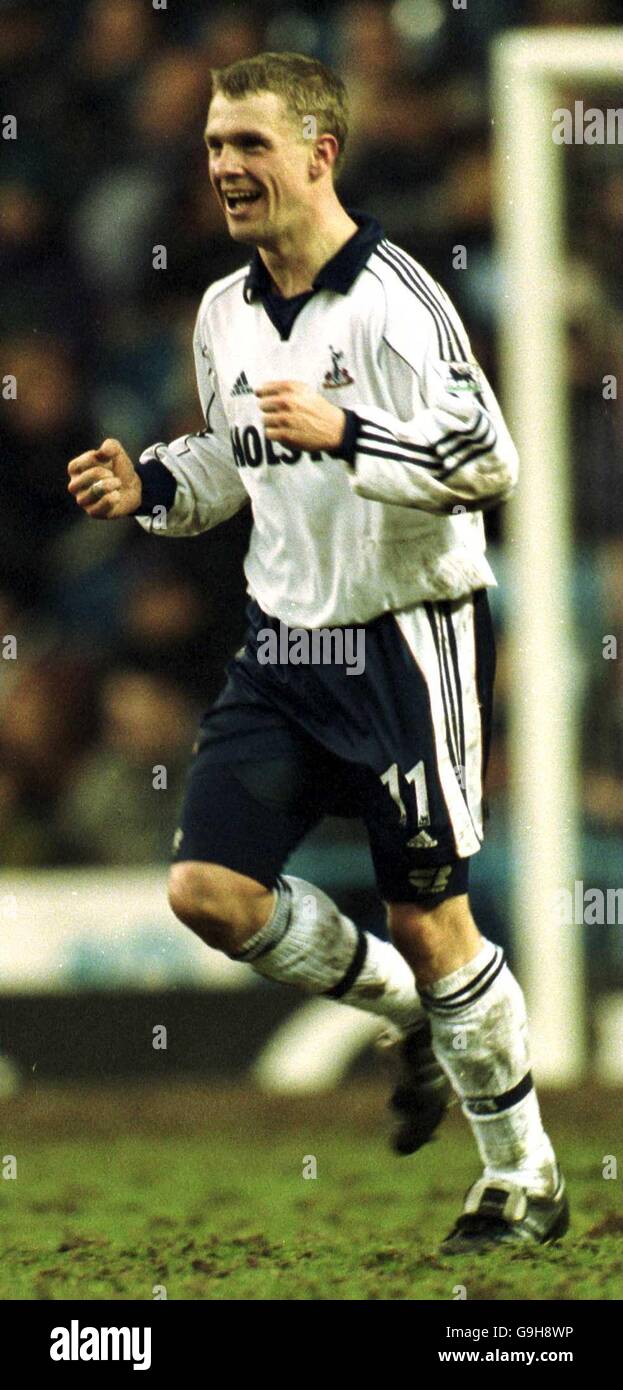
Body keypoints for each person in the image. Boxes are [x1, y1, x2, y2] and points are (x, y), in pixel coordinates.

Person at [67, 51, 568, 1252]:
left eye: (248, 144)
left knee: (432, 918)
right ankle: (406, 1019)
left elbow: (488, 463)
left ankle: (524, 1174)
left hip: (407, 641)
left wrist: (354, 429)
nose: (226, 168)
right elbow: (229, 473)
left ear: (317, 153)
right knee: (209, 894)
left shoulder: (398, 298)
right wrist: (149, 483)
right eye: (212, 146)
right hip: (280, 649)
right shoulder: (222, 313)